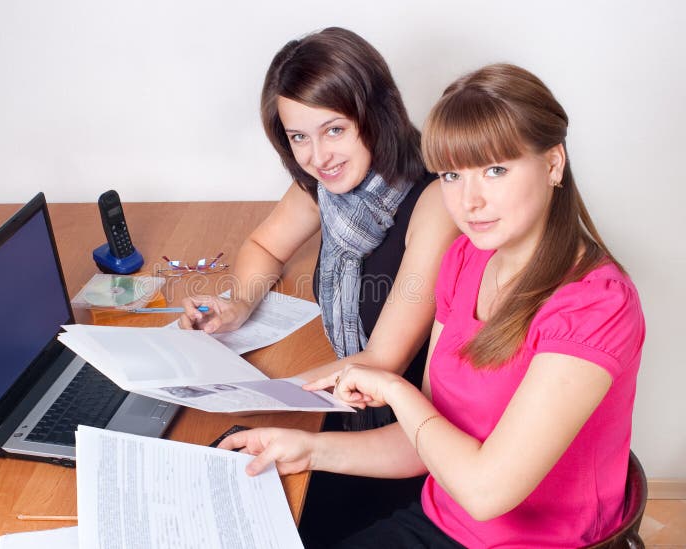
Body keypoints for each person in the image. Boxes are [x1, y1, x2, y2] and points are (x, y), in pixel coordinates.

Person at [219, 63, 646, 548]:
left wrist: (396, 392)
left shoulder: (596, 306)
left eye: (496, 169)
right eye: (451, 174)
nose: (470, 201)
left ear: (553, 164)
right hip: (440, 522)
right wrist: (307, 449)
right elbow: (424, 443)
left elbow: (486, 492)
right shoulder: (466, 259)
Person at [178, 27, 458, 544]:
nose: (317, 156)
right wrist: (237, 303)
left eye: (333, 130)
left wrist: (247, 394)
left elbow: (380, 363)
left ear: (375, 115)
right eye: (298, 137)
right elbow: (265, 247)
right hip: (344, 416)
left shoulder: (433, 201)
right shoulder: (326, 186)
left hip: (408, 447)